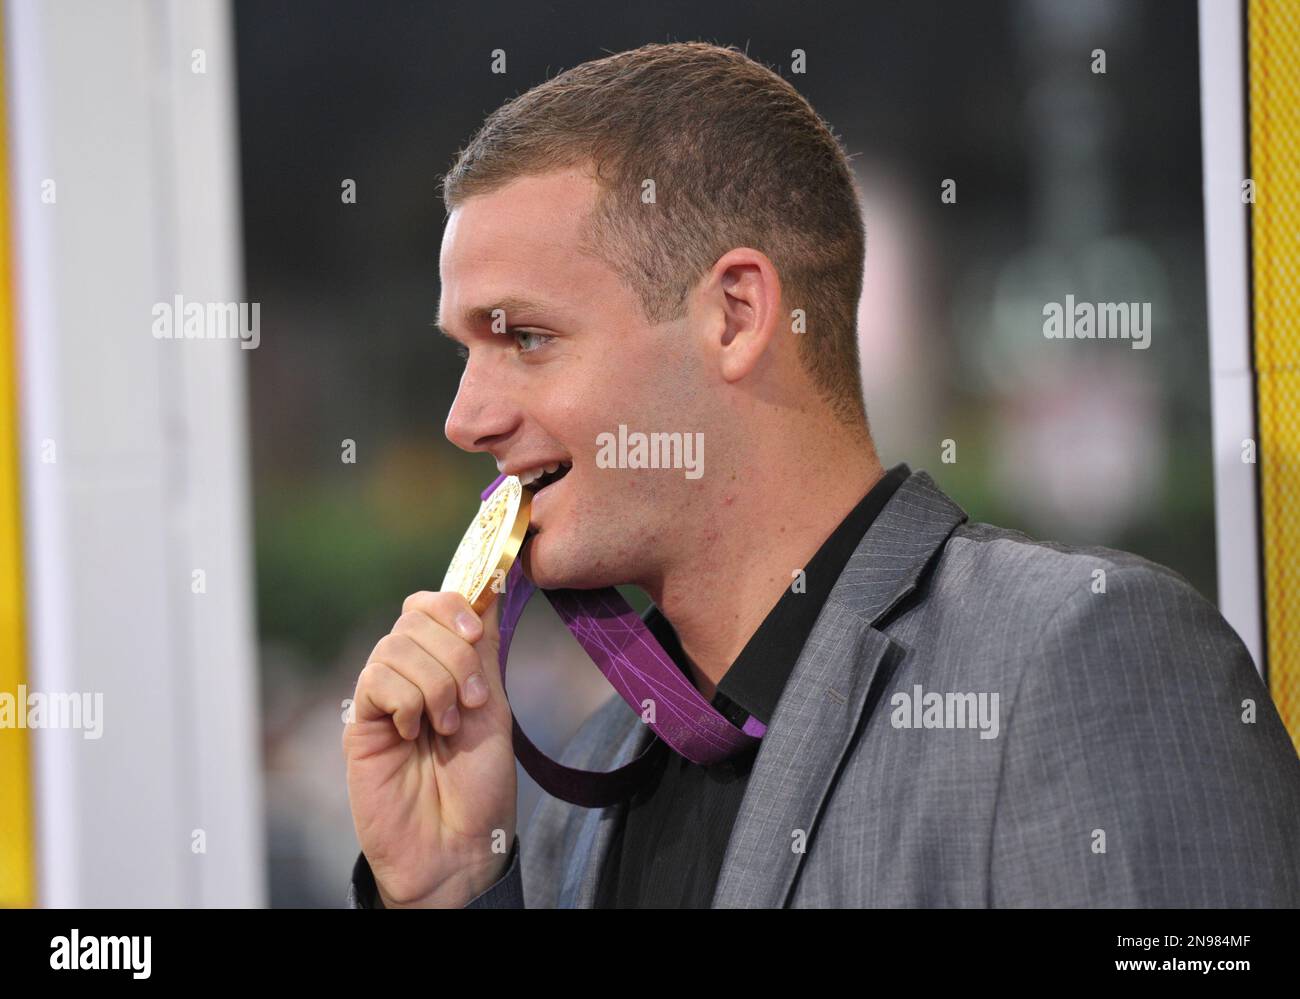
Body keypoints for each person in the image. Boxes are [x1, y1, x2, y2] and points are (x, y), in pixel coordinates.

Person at [342, 41, 1300, 908]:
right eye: (463, 355)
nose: (465, 420)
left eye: (530, 339)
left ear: (737, 315)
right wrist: (454, 893)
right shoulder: (564, 796)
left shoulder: (1082, 662)